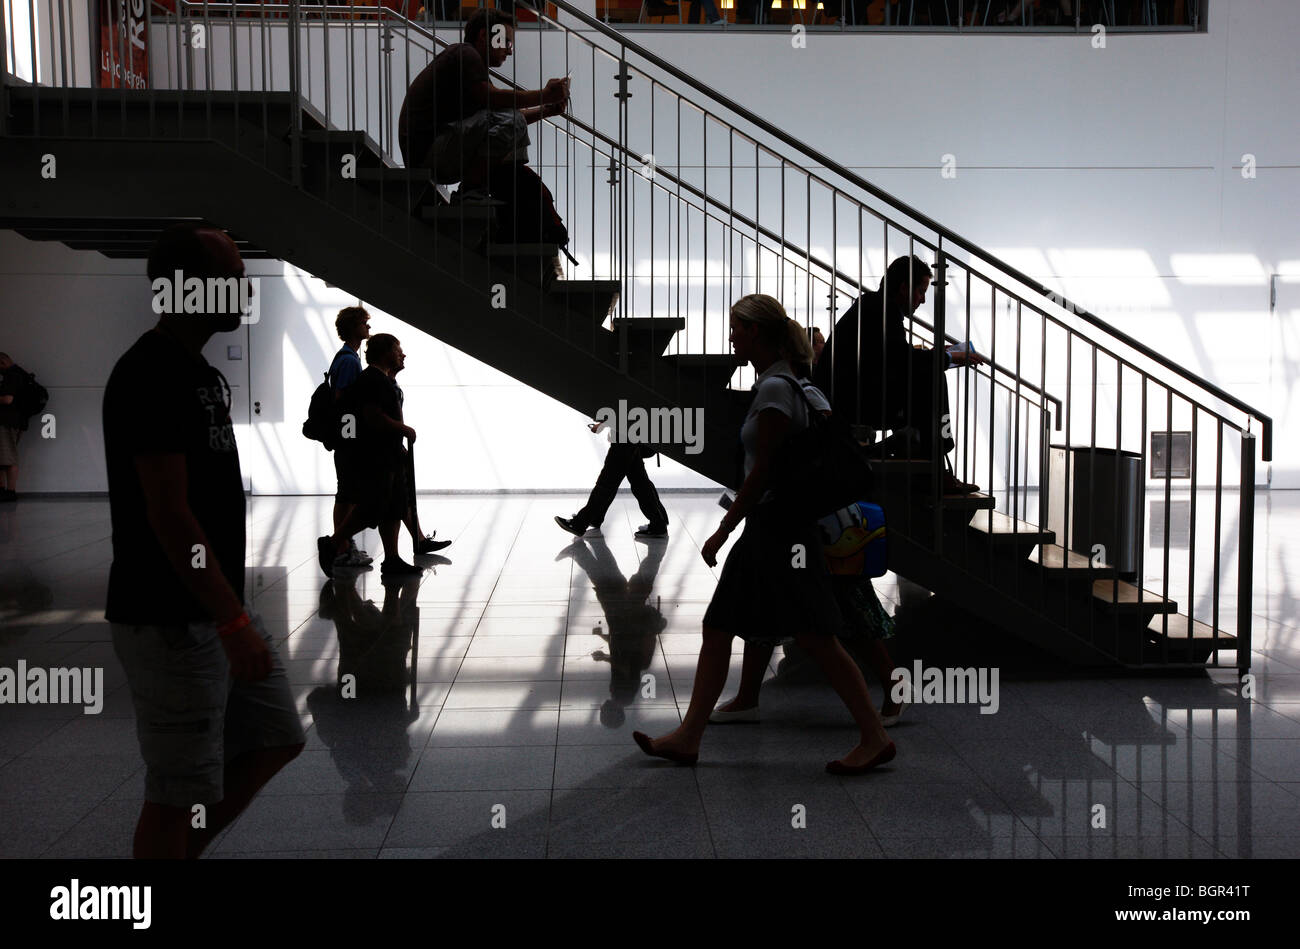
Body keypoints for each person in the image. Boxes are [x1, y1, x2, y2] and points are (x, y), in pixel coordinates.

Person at [103, 223, 304, 859]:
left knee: (277, 733)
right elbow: (169, 514)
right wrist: (232, 619)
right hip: (170, 618)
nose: (244, 290)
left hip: (207, 610)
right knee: (177, 790)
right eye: (232, 277)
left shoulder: (197, 371)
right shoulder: (151, 373)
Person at [633, 294, 895, 775]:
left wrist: (722, 529)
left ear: (755, 332)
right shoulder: (784, 383)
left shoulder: (776, 388)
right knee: (720, 626)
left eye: (736, 328)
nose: (731, 336)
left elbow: (764, 472)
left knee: (816, 637)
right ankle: (689, 736)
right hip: (773, 527)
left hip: (780, 529)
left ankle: (874, 736)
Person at [813, 254, 984, 493]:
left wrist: (933, 355)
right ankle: (936, 466)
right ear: (904, 288)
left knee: (927, 372)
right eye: (921, 292)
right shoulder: (883, 310)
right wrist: (945, 358)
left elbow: (893, 357)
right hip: (852, 403)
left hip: (847, 397)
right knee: (934, 376)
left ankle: (924, 455)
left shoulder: (874, 306)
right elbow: (900, 359)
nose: (922, 300)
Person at [319, 334, 449, 579]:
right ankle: (333, 543)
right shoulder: (372, 379)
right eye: (398, 349)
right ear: (385, 352)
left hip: (389, 454)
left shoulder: (382, 379)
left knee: (394, 506)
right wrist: (404, 430)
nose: (403, 354)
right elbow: (372, 416)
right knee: (373, 506)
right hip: (376, 456)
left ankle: (392, 559)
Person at [397, 8, 569, 193]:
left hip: (432, 154)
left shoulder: (470, 69)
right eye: (506, 42)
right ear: (484, 35)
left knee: (511, 121)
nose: (509, 51)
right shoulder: (465, 53)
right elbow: (493, 99)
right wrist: (545, 95)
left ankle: (483, 189)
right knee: (513, 122)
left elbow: (502, 114)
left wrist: (547, 110)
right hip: (429, 155)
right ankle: (472, 191)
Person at [555, 417, 669, 540]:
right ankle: (658, 522)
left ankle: (579, 523)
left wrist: (603, 424)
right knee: (639, 482)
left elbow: (625, 411)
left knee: (608, 481)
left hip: (626, 438)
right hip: (631, 436)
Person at [327, 306, 374, 570]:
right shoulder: (348, 361)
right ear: (353, 327)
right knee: (347, 492)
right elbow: (342, 401)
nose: (368, 326)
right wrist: (352, 438)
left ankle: (344, 544)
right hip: (349, 438)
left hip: (348, 436)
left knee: (348, 491)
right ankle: (342, 547)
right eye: (364, 323)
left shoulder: (348, 357)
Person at [0, 352, 29, 501]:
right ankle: (5, 490)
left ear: (3, 362)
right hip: (13, 422)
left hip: (8, 422)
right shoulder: (18, 374)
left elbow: (7, 399)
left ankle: (10, 492)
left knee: (9, 457)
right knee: (4, 457)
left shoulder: (12, 376)